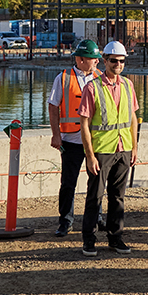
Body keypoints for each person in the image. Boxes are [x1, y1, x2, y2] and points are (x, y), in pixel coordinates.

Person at [79, 39, 138, 257]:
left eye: (122, 61)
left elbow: (132, 118)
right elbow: (84, 122)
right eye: (114, 60)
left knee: (118, 197)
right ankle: (89, 240)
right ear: (105, 61)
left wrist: (134, 147)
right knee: (95, 196)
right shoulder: (92, 87)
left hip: (123, 148)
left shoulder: (128, 85)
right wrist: (90, 155)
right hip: (102, 150)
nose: (118, 64)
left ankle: (116, 238)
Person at [47, 39, 101, 236]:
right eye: (93, 58)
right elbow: (53, 106)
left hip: (95, 141)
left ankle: (97, 217)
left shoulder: (100, 77)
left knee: (97, 182)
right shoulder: (63, 78)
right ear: (80, 59)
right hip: (71, 140)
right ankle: (65, 221)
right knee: (68, 183)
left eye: (97, 59)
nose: (97, 62)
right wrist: (56, 135)